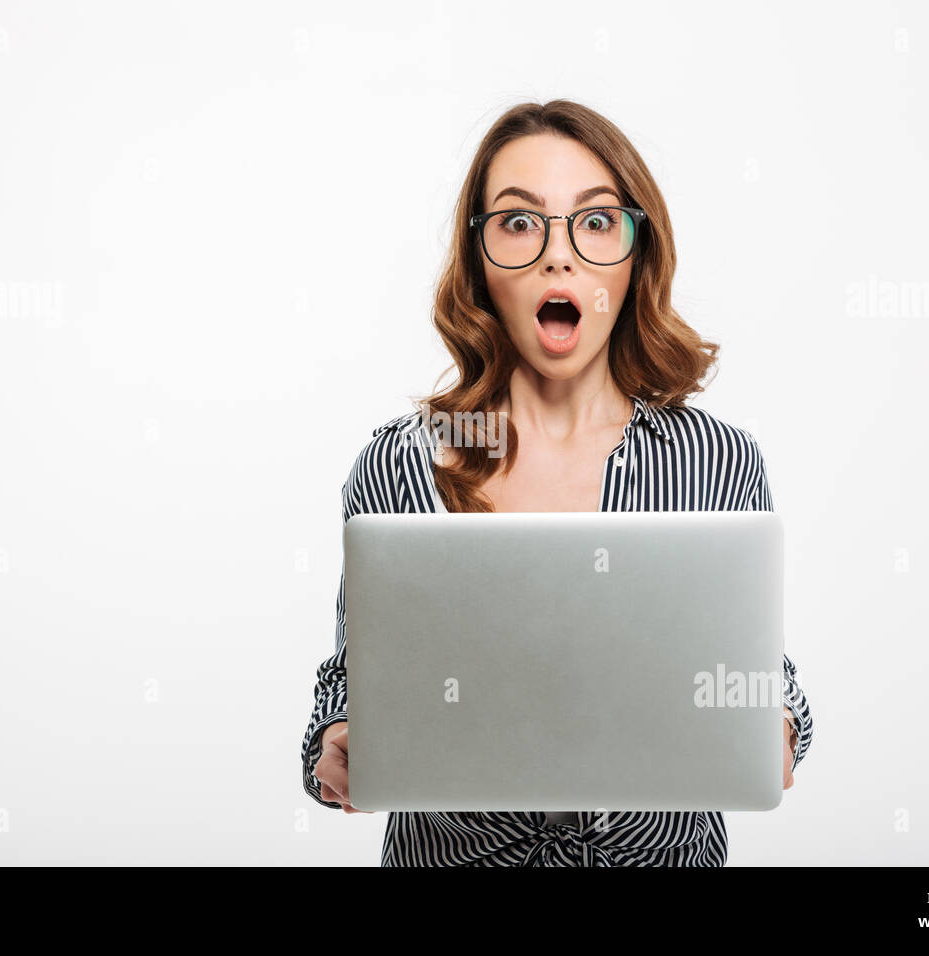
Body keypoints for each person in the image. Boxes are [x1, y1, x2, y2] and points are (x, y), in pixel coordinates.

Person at [300, 99, 814, 866]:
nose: (558, 256)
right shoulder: (403, 462)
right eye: (517, 222)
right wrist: (339, 737)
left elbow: (760, 678)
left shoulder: (719, 460)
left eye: (596, 221)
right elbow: (354, 676)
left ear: (635, 255)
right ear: (478, 262)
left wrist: (772, 723)